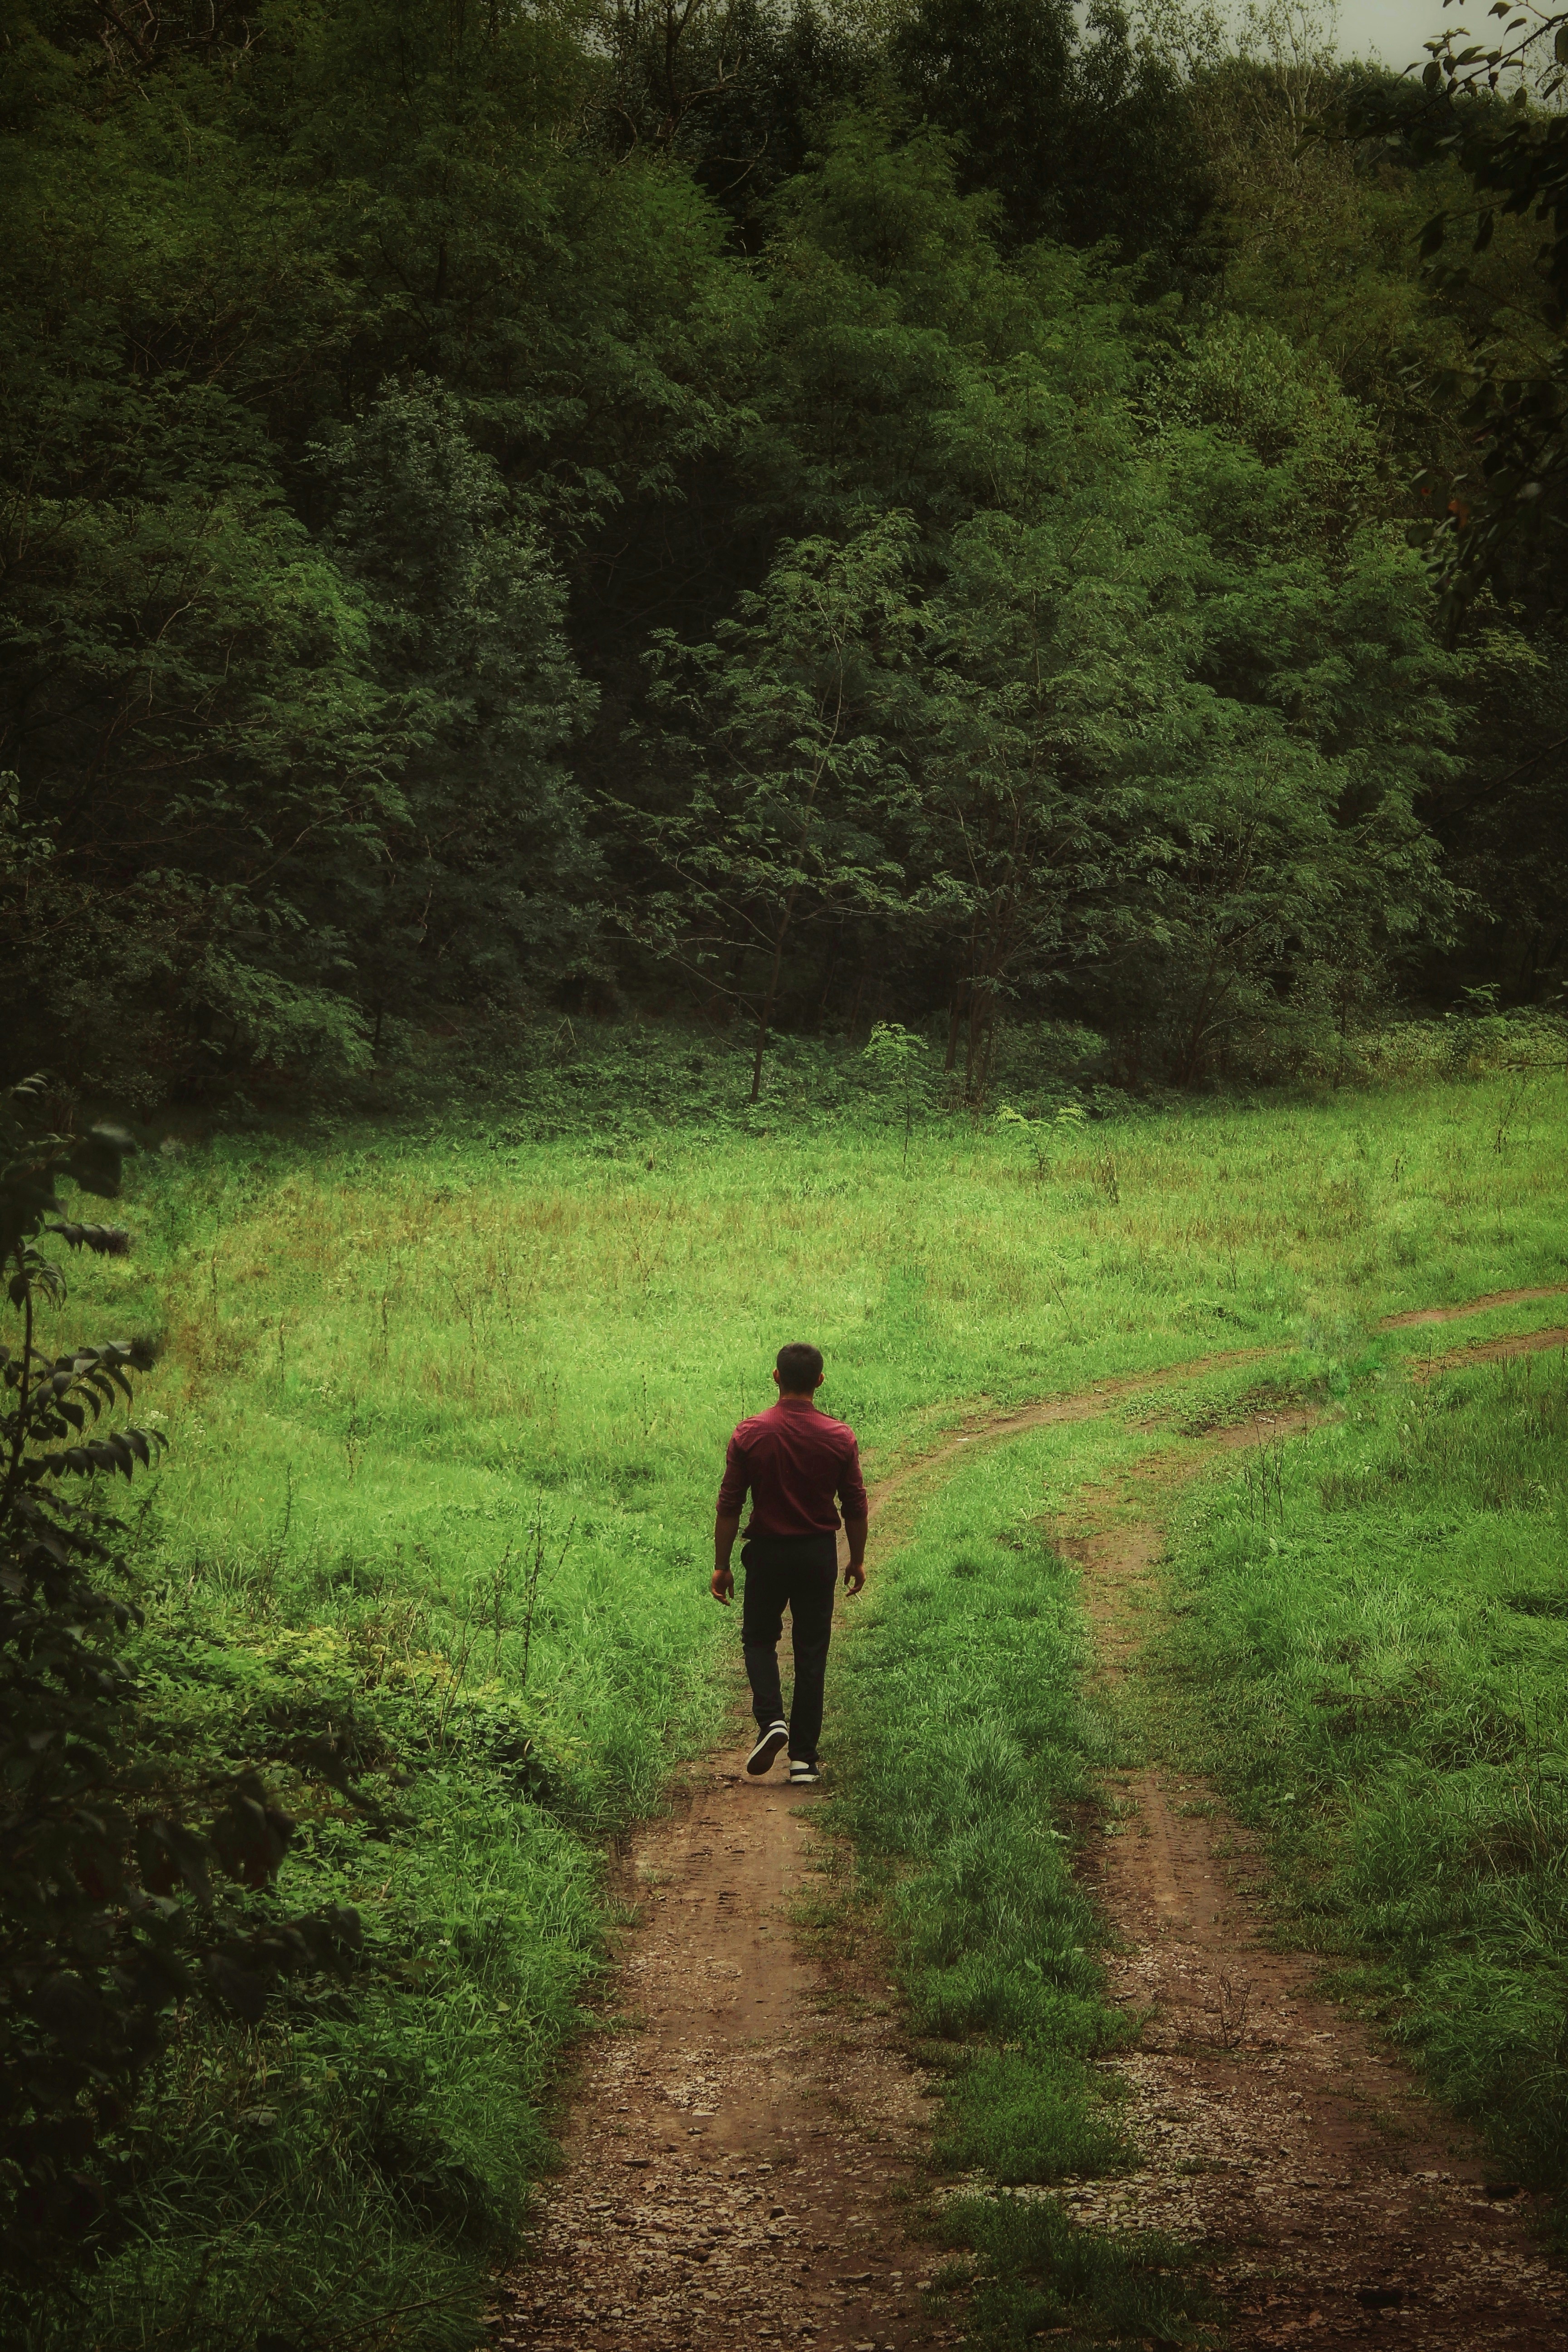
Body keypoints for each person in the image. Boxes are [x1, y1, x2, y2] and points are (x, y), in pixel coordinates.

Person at [711, 1342, 868, 1786]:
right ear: (819, 1381)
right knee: (811, 1651)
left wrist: (722, 1564)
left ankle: (771, 1720)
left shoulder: (750, 1433)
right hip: (817, 1553)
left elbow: (729, 1505)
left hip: (767, 1553)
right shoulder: (839, 1437)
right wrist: (855, 1560)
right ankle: (803, 1760)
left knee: (759, 1639)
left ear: (776, 1377)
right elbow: (855, 1507)